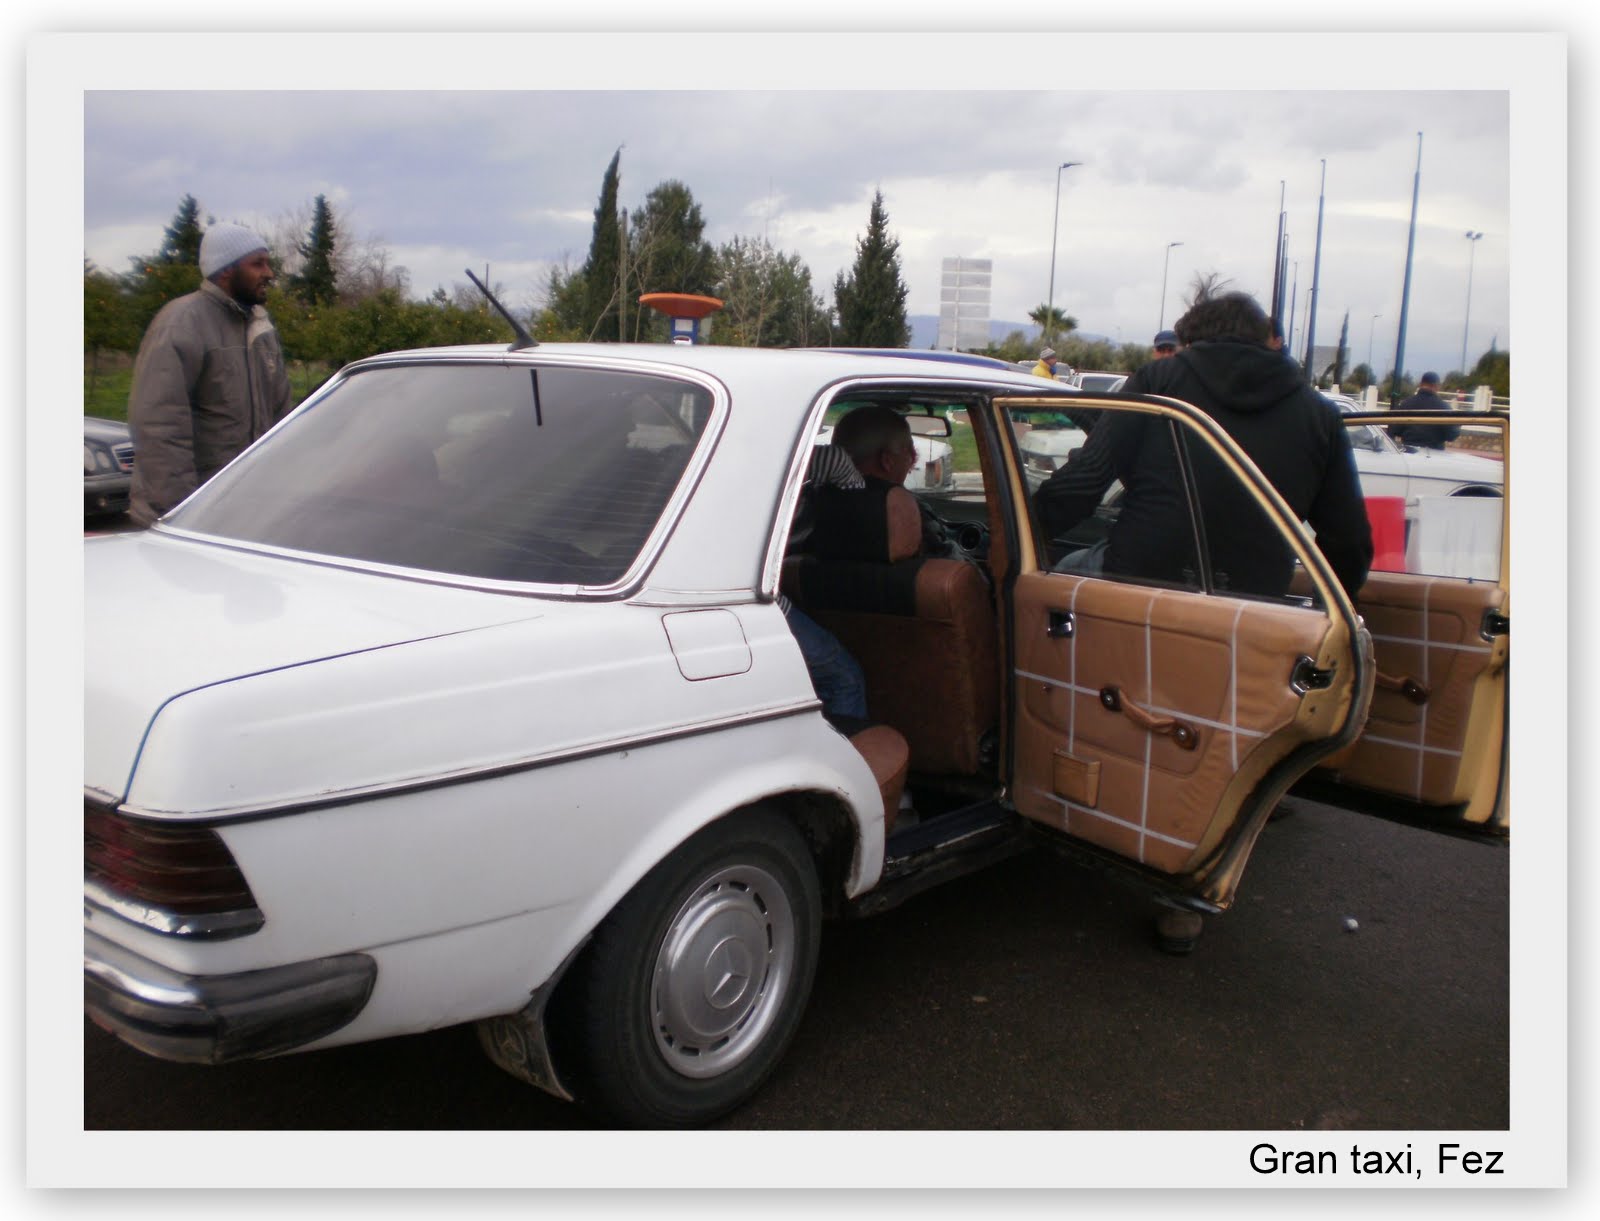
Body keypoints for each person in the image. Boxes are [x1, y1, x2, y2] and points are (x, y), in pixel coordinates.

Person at [1034, 290, 1372, 601]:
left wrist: (1018, 535)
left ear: (1190, 341)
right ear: (1265, 339)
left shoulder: (1157, 381)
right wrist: (1331, 613)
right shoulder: (1320, 414)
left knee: (1054, 580)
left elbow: (1084, 481)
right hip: (1257, 598)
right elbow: (1350, 541)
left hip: (1140, 577)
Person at [127, 223, 293, 526]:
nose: (269, 273)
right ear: (226, 269)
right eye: (258, 263)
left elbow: (283, 422)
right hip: (194, 513)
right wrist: (182, 514)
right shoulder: (181, 323)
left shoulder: (261, 329)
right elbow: (160, 427)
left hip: (249, 510)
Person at [1388, 372, 1461, 450]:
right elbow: (1452, 435)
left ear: (1420, 384)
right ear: (1436, 386)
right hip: (1435, 454)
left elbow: (1394, 429)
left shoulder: (1406, 404)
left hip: (1410, 452)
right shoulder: (1443, 407)